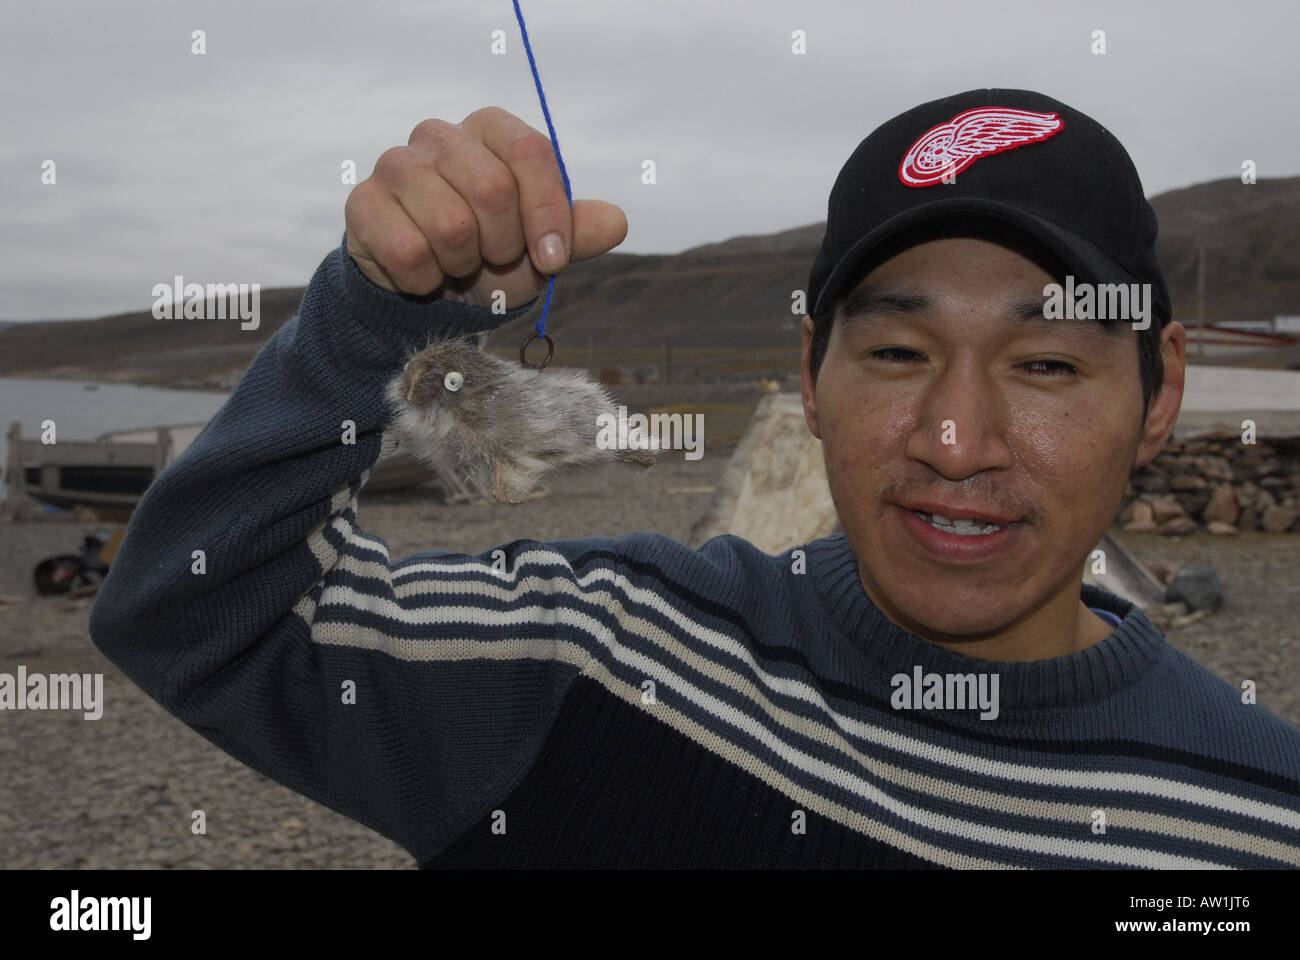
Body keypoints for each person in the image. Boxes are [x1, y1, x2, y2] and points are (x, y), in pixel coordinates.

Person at [90, 89, 1300, 868]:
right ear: (811, 379)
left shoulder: (1257, 811)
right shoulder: (598, 657)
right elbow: (202, 614)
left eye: (1043, 362)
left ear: (1160, 392)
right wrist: (371, 315)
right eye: (894, 351)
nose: (953, 439)